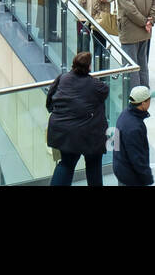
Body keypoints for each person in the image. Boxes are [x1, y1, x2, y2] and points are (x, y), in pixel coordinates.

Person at [46, 52, 109, 186]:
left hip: (62, 131)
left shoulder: (62, 78)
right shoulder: (97, 86)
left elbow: (49, 102)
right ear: (89, 67)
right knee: (93, 164)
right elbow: (104, 92)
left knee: (66, 163)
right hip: (88, 135)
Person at [116, 0, 155, 86]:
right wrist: (151, 20)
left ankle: (133, 94)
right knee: (142, 62)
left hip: (130, 32)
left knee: (130, 66)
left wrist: (145, 21)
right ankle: (144, 90)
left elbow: (131, 11)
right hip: (145, 31)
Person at [113, 86, 155, 187]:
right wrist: (147, 177)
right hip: (130, 176)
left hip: (120, 167)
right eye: (149, 100)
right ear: (143, 103)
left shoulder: (125, 114)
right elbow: (137, 157)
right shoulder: (134, 127)